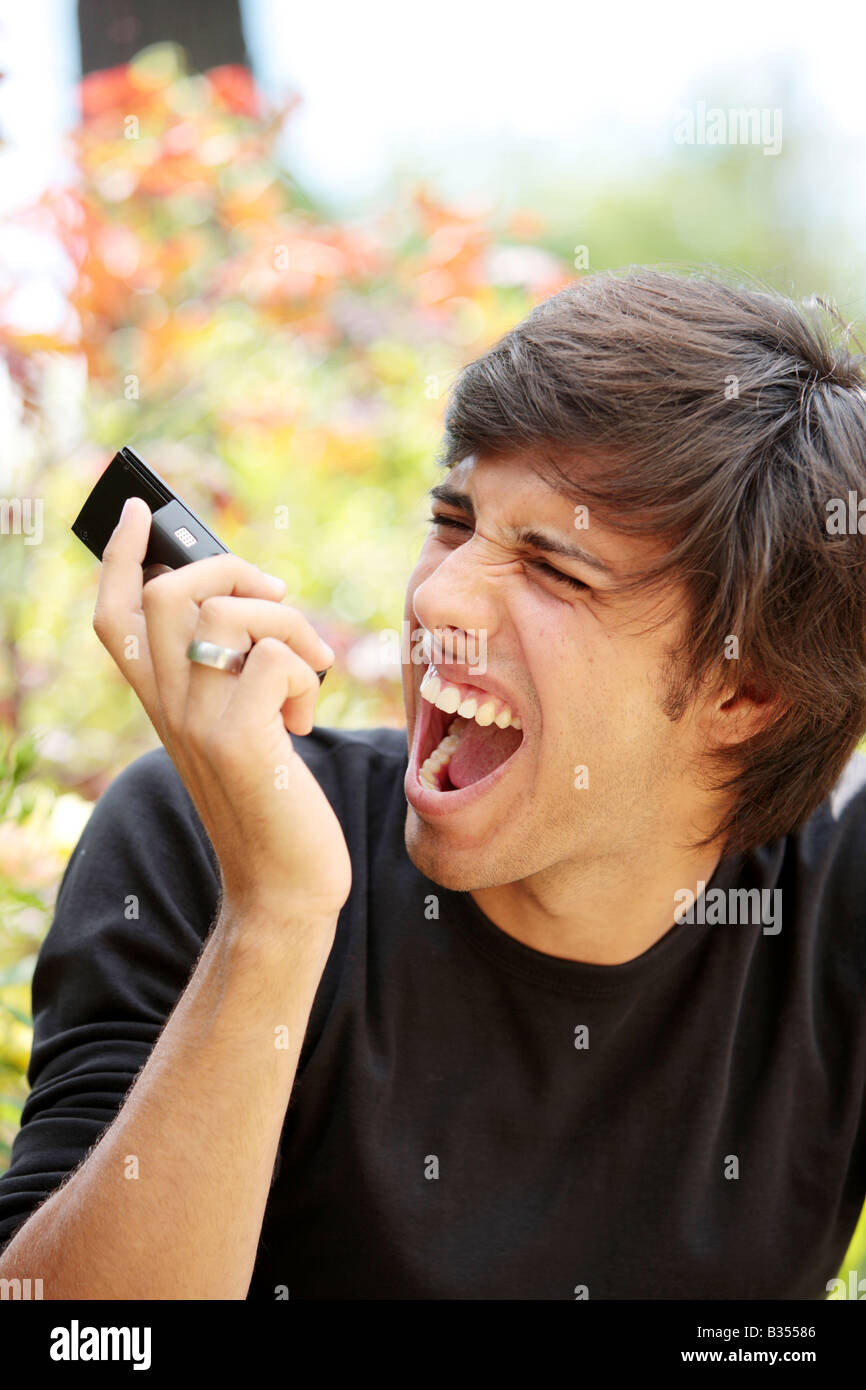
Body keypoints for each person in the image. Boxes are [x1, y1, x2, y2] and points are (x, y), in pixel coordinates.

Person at [1, 266, 865, 1300]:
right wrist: (270, 921)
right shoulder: (203, 833)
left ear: (747, 690)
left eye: (554, 568)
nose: (439, 594)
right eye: (452, 521)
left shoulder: (830, 920)